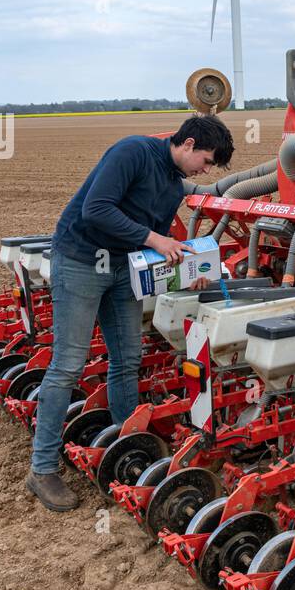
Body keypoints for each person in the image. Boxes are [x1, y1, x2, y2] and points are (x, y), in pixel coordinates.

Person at [26, 115, 235, 511]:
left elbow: (154, 248)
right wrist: (156, 237)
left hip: (123, 270)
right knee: (68, 365)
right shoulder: (132, 152)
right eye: (205, 161)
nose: (205, 170)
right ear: (188, 144)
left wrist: (189, 269)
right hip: (82, 262)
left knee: (127, 359)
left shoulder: (172, 185)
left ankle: (124, 443)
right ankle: (42, 469)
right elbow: (96, 209)